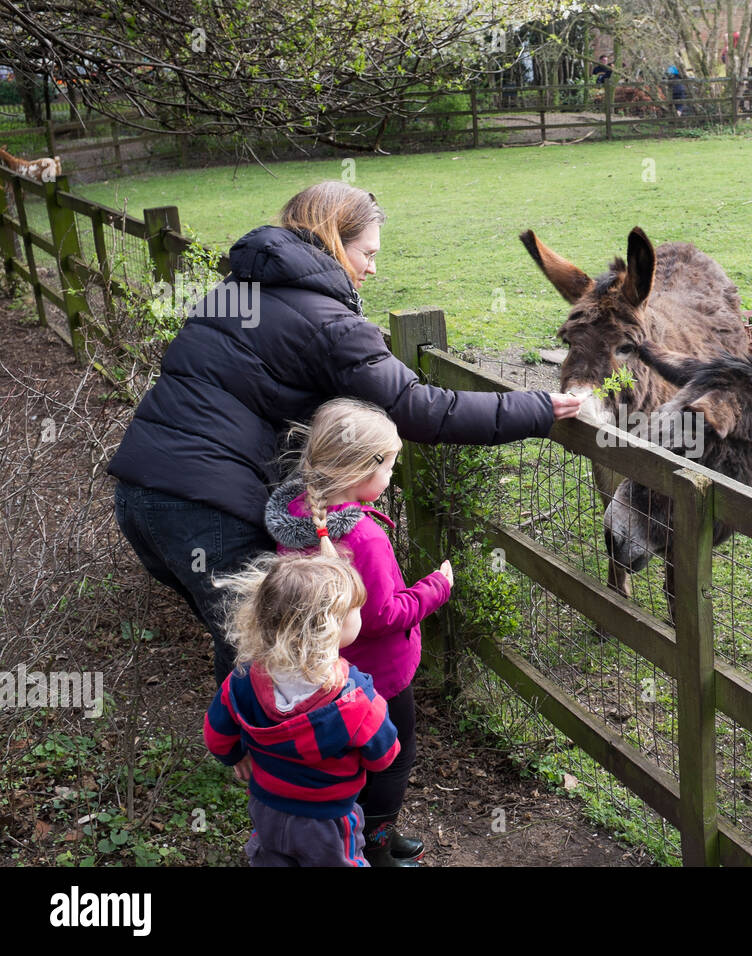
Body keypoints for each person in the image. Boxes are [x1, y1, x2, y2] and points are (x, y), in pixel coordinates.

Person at [108, 181, 582, 688]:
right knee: (267, 657)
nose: (373, 268)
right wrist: (535, 408)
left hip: (139, 495)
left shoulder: (233, 292)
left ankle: (256, 749)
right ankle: (269, 758)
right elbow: (417, 409)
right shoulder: (329, 320)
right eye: (367, 252)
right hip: (207, 510)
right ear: (335, 239)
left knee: (248, 640)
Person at [264, 397, 451, 866]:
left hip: (322, 672)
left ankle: (356, 831)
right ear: (360, 470)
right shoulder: (363, 536)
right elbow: (382, 616)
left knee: (345, 758)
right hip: (380, 676)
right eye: (389, 466)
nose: (391, 477)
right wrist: (437, 586)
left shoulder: (294, 511)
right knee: (391, 756)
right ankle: (375, 843)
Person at [203, 551, 398, 867]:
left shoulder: (242, 680)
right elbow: (385, 754)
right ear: (327, 629)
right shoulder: (356, 700)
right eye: (353, 609)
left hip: (268, 807)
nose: (361, 612)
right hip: (328, 820)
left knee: (272, 859)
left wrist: (234, 755)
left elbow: (216, 734)